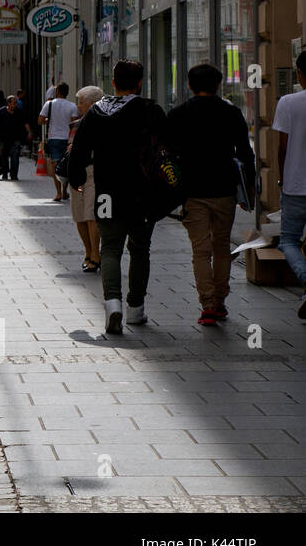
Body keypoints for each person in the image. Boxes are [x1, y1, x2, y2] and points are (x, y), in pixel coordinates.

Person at [66, 60, 170, 335]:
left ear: (113, 83)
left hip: (106, 191)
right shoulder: (150, 110)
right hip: (142, 193)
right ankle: (136, 309)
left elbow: (78, 149)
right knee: (139, 248)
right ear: (140, 83)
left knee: (110, 248)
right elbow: (168, 149)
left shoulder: (97, 112)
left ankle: (113, 303)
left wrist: (76, 179)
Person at [168, 62, 255, 325]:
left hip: (192, 192)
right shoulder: (231, 113)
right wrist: (249, 188)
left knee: (200, 250)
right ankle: (219, 301)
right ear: (218, 85)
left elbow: (169, 156)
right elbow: (245, 153)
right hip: (224, 190)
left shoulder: (178, 114)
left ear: (189, 85)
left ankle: (207, 304)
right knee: (221, 246)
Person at [272, 50, 306, 321]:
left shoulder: (288, 102)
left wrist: (282, 179)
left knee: (288, 240)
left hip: (295, 184)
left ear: (299, 73)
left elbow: (282, 148)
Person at [68, 86, 104, 273]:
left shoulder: (103, 121)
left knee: (91, 214)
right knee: (79, 214)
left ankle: (96, 255)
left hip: (92, 170)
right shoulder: (76, 124)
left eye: (80, 102)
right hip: (77, 172)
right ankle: (88, 252)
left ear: (91, 104)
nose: (77, 106)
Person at [39, 83, 77, 202]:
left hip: (53, 138)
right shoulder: (72, 106)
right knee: (65, 165)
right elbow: (74, 123)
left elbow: (40, 120)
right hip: (67, 138)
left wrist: (48, 120)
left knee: (56, 165)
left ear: (57, 92)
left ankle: (58, 193)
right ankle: (65, 191)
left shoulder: (49, 104)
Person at [0, 95, 32, 180]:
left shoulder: (19, 112)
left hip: (16, 138)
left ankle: (14, 175)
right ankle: (4, 174)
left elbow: (25, 123)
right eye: (14, 103)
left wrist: (29, 132)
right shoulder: (1, 112)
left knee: (15, 157)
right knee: (4, 156)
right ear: (8, 103)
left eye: (16, 103)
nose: (15, 105)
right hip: (3, 138)